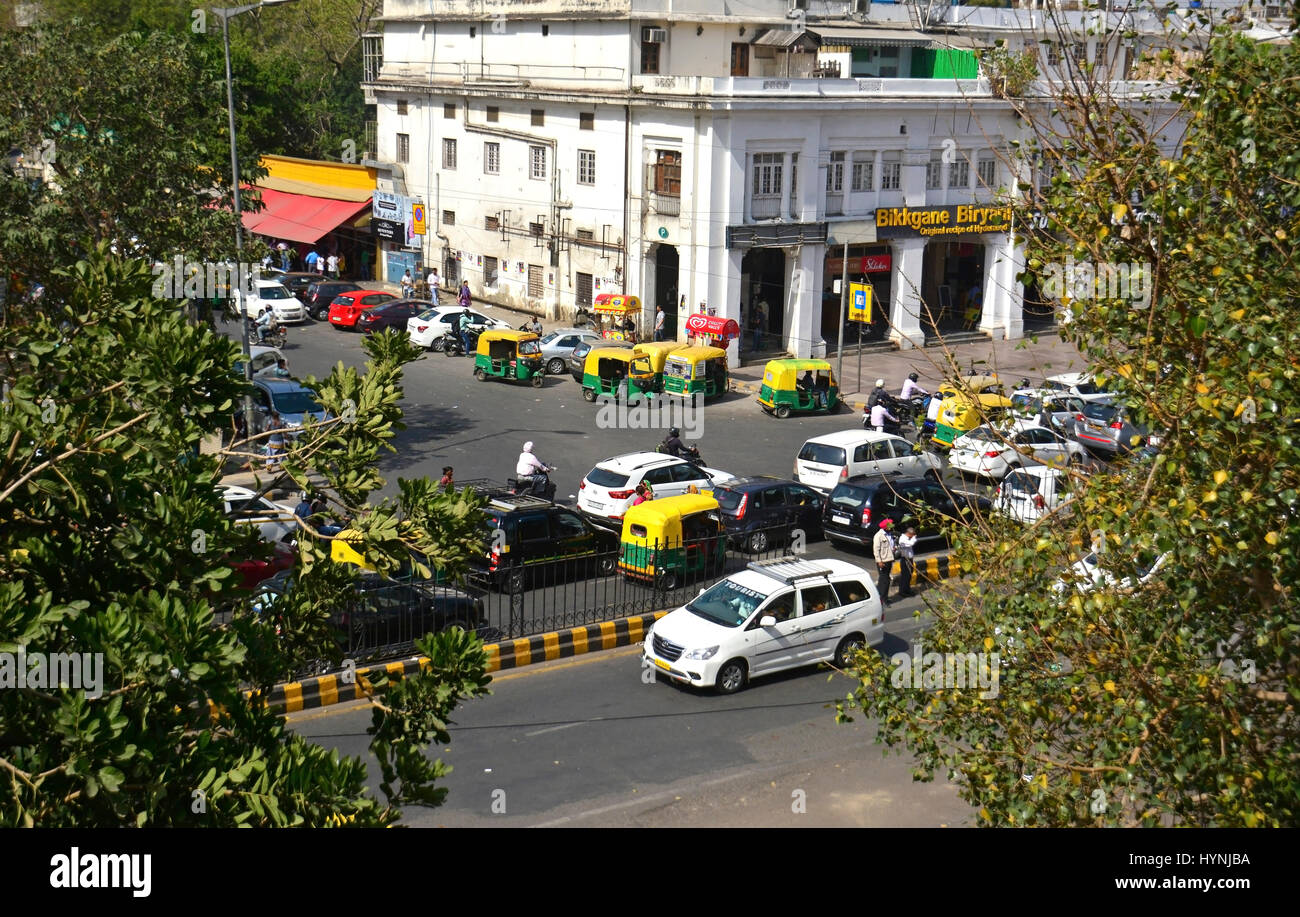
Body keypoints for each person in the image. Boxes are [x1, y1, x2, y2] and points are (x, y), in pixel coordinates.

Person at [873, 518, 896, 606]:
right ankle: (881, 599)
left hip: (889, 559)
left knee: (886, 580)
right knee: (884, 580)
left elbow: (890, 545)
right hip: (883, 561)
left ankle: (884, 597)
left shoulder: (889, 534)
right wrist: (879, 561)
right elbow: (876, 550)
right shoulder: (879, 536)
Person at [897, 525, 918, 597]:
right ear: (909, 534)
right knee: (905, 576)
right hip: (905, 559)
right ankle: (902, 591)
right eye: (912, 535)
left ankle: (907, 589)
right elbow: (910, 544)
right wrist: (914, 538)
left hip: (909, 559)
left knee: (909, 575)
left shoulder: (908, 538)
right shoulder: (902, 539)